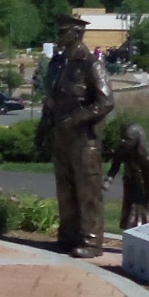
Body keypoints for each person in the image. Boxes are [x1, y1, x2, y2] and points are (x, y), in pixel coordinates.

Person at [40, 13, 114, 255]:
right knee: (65, 187)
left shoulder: (91, 64)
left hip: (84, 139)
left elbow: (105, 102)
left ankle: (91, 241)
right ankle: (69, 235)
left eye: (64, 32)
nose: (59, 36)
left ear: (77, 33)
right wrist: (44, 128)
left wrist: (76, 118)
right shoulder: (57, 64)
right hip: (61, 136)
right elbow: (50, 100)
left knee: (87, 191)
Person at [109, 121, 149, 229]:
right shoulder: (122, 150)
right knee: (129, 208)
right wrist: (108, 179)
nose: (123, 141)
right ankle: (129, 227)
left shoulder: (145, 158)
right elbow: (115, 165)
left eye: (128, 139)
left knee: (141, 211)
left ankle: (141, 229)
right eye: (122, 138)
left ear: (136, 140)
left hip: (142, 188)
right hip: (129, 183)